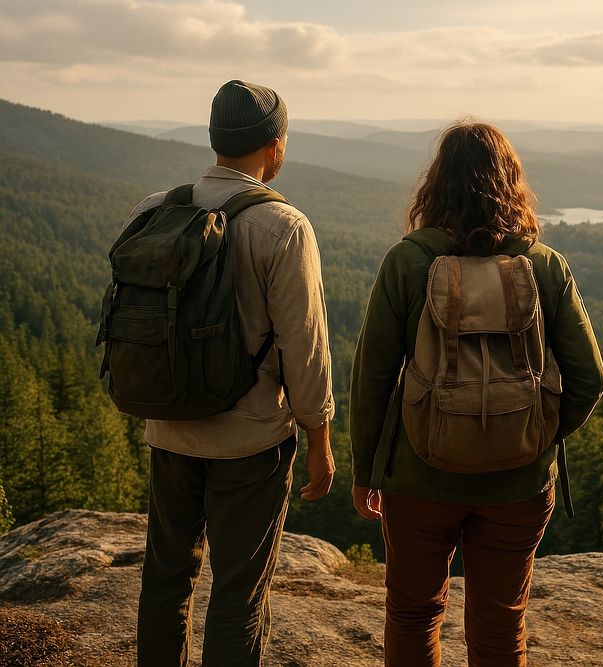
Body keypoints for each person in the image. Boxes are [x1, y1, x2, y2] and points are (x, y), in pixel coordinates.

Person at [350, 121, 603, 667]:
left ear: (436, 184)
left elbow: (372, 379)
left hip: (419, 477)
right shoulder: (543, 265)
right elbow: (590, 378)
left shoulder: (408, 262)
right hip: (519, 482)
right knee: (500, 621)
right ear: (511, 181)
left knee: (414, 614)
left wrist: (366, 471)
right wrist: (535, 433)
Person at [133, 80, 335, 666]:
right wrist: (320, 441)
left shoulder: (154, 211)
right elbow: (306, 348)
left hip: (169, 429)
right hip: (251, 441)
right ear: (274, 146)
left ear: (217, 139)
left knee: (165, 578)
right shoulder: (284, 227)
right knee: (238, 592)